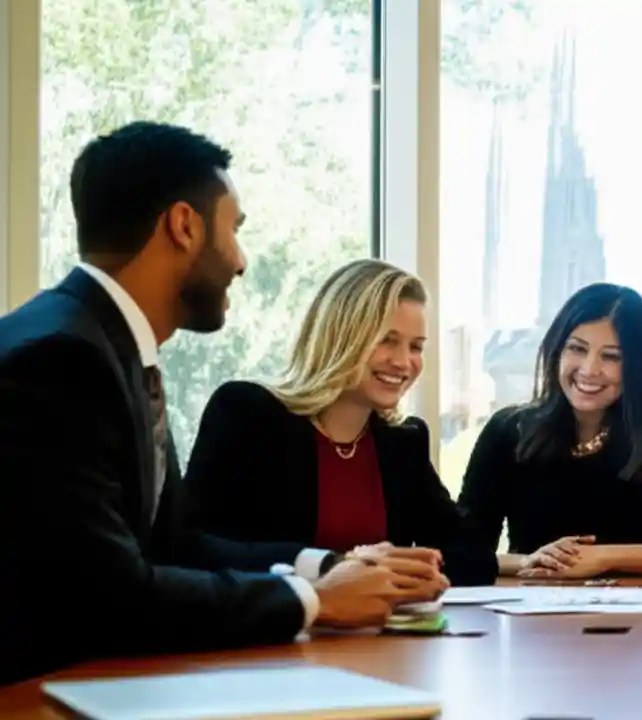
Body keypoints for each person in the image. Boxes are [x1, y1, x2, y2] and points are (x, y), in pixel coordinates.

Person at [0, 122, 435, 685]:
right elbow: (108, 594)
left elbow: (177, 546)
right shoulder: (59, 360)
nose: (240, 260)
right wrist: (313, 601)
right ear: (184, 226)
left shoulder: (108, 349)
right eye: (234, 230)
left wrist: (326, 567)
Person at [184, 259, 495, 588]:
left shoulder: (402, 441)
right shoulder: (248, 413)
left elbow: (472, 555)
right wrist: (336, 565)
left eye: (416, 346)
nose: (404, 362)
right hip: (272, 630)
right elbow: (196, 549)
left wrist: (396, 575)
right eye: (386, 340)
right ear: (340, 337)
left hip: (380, 635)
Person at [456, 283, 642, 578]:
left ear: (638, 368)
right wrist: (530, 561)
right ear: (557, 350)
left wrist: (603, 558)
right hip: (530, 605)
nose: (589, 369)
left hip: (638, 611)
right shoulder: (507, 431)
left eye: (611, 356)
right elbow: (463, 550)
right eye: (577, 349)